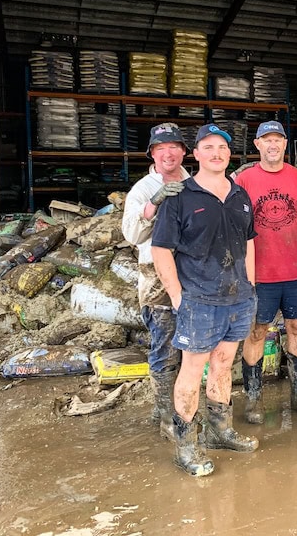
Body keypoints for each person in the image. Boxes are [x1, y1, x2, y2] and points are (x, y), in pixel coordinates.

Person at [151, 123, 259, 477]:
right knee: (192, 369)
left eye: (223, 148)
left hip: (238, 297)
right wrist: (178, 296)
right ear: (195, 155)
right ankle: (186, 445)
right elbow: (161, 249)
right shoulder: (179, 196)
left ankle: (220, 431)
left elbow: (250, 243)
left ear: (230, 155)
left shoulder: (240, 196)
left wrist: (251, 284)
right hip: (198, 298)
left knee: (225, 363)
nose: (217, 153)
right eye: (209, 148)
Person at [236, 120, 297, 423]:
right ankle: (253, 398)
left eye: (278, 140)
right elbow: (234, 224)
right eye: (267, 140)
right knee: (256, 331)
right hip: (258, 274)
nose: (273, 145)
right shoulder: (244, 180)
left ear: (285, 145)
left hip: (295, 271)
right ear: (258, 145)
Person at [121, 122, 189, 442]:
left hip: (192, 274)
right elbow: (132, 235)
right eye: (161, 149)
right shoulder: (143, 189)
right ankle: (164, 413)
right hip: (157, 276)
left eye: (174, 147)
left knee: (191, 346)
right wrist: (156, 202)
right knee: (164, 345)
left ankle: (178, 406)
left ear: (184, 152)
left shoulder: (195, 183)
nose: (168, 153)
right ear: (152, 153)